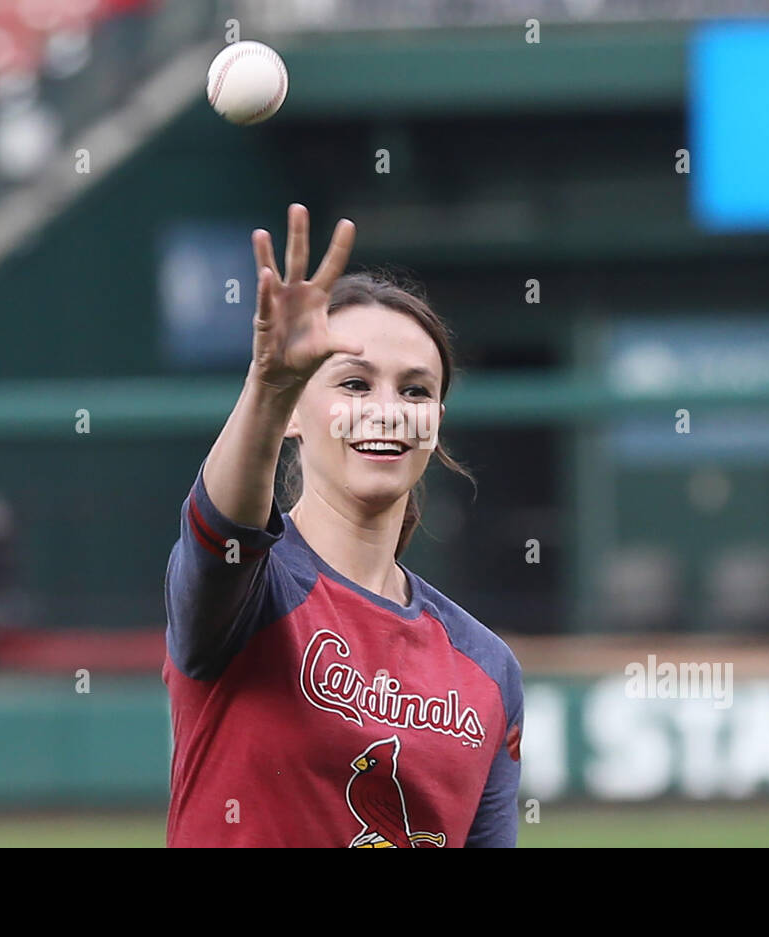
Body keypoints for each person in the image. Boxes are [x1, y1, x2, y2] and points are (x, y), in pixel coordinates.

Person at [162, 203, 524, 847]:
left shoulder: (486, 667)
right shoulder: (251, 595)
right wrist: (269, 390)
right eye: (354, 384)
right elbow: (223, 527)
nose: (387, 410)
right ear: (297, 415)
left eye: (415, 392)